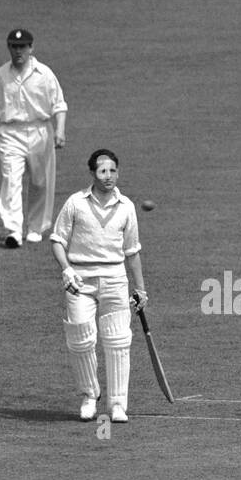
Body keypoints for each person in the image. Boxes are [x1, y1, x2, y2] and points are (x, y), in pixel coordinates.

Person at [50, 149, 148, 422]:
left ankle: (117, 405)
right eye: (103, 171)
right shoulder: (76, 203)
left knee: (118, 341)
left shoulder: (126, 206)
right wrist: (67, 269)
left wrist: (141, 289)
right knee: (80, 338)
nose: (108, 176)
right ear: (92, 173)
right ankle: (89, 395)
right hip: (80, 280)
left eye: (113, 170)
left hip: (115, 278)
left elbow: (132, 251)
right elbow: (57, 240)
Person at [0, 28, 67, 248]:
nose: (18, 51)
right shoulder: (0, 75)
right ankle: (14, 230)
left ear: (31, 48)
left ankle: (35, 228)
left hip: (40, 131)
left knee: (40, 181)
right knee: (11, 179)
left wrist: (60, 130)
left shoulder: (44, 74)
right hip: (10, 133)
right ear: (9, 48)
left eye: (22, 47)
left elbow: (59, 104)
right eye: (14, 46)